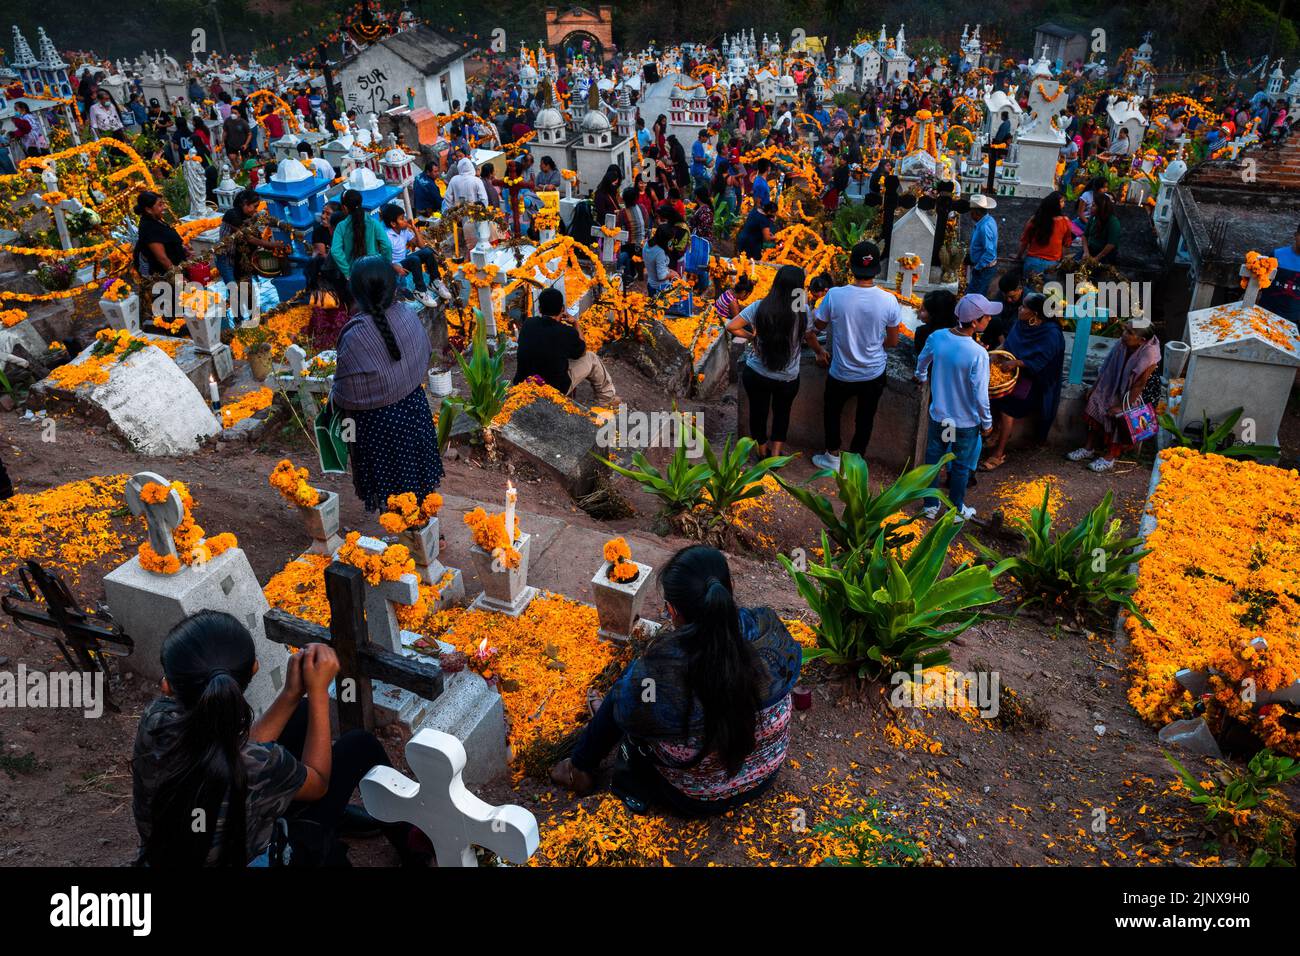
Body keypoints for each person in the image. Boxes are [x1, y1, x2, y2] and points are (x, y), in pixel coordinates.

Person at [132, 611, 414, 866]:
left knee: (300, 715)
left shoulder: (155, 720)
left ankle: (332, 817)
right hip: (249, 857)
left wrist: (292, 695)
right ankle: (417, 851)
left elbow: (240, 750)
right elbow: (317, 783)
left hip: (171, 855)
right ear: (254, 668)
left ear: (167, 686)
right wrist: (317, 694)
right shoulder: (260, 766)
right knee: (360, 746)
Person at [549, 545, 801, 817]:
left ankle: (580, 768)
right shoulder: (766, 626)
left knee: (627, 689)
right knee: (637, 689)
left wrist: (630, 696)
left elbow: (632, 716)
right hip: (764, 775)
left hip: (697, 797)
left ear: (672, 610)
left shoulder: (658, 674)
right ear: (731, 587)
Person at [332, 256, 444, 511]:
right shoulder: (406, 314)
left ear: (356, 292)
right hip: (415, 410)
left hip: (378, 425)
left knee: (394, 490)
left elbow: (345, 394)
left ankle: (412, 538)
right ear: (393, 287)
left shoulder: (356, 334)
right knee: (418, 478)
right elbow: (424, 354)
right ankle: (427, 533)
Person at [811, 240, 901, 471]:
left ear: (851, 267)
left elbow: (815, 329)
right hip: (873, 372)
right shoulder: (889, 300)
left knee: (831, 411)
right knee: (865, 418)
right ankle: (855, 460)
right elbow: (892, 342)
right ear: (877, 270)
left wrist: (820, 350)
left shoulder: (835, 296)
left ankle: (832, 456)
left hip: (841, 372)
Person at [726, 265, 826, 457]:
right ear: (798, 287)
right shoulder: (801, 309)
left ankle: (761, 452)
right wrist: (820, 352)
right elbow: (810, 337)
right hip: (787, 378)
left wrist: (751, 336)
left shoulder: (760, 306)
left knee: (758, 412)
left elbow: (732, 326)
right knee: (782, 414)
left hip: (756, 373)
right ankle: (775, 455)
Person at [915, 294, 998, 521]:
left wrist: (921, 376)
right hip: (965, 422)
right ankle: (955, 509)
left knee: (934, 459)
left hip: (941, 416)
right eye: (985, 316)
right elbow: (981, 395)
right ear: (974, 323)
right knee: (960, 466)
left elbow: (922, 361)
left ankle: (930, 506)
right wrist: (988, 424)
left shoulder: (938, 337)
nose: (989, 319)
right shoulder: (978, 353)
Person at [981, 292, 1066, 471]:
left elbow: (1041, 362)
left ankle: (999, 453)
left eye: (1024, 306)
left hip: (1035, 379)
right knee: (989, 391)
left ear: (1035, 313)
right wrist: (991, 356)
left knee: (1006, 406)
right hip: (1013, 371)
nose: (1020, 308)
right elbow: (1008, 344)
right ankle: (995, 432)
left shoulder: (1051, 333)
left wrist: (1015, 363)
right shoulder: (1022, 323)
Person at [1068, 321, 1161, 473]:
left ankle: (1110, 456)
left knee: (1119, 415)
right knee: (1095, 400)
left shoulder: (1149, 355)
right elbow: (1107, 367)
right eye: (1125, 329)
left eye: (1129, 332)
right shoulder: (1122, 343)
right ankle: (1088, 448)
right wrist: (1095, 387)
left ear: (1142, 340)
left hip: (1137, 393)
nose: (1124, 334)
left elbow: (1139, 385)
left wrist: (1123, 407)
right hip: (1115, 383)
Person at [513, 287, 620, 407]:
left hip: (523, 383)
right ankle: (606, 398)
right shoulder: (567, 332)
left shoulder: (528, 324)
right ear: (562, 309)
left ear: (539, 309)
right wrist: (575, 323)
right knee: (591, 357)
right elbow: (582, 352)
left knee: (556, 356)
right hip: (552, 389)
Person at [381, 203, 449, 308]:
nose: (405, 220)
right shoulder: (386, 236)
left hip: (405, 261)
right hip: (395, 266)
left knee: (427, 252)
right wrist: (395, 267)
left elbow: (421, 246)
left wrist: (414, 229)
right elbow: (382, 259)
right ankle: (420, 291)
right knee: (414, 259)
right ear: (393, 224)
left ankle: (434, 282)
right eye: (401, 219)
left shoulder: (403, 231)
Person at [331, 189, 393, 281]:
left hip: (355, 274)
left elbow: (335, 251)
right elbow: (387, 246)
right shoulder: (373, 223)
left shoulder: (341, 226)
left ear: (344, 207)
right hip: (374, 270)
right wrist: (385, 265)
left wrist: (347, 272)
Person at [133, 191, 188, 277]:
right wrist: (180, 280)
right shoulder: (149, 228)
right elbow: (162, 259)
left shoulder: (156, 219)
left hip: (178, 267)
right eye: (160, 205)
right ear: (148, 210)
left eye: (163, 204)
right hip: (166, 277)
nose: (164, 207)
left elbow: (166, 239)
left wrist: (183, 249)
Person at [1018, 191, 1072, 277]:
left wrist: (1019, 256)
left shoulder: (1035, 219)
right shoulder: (1065, 221)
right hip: (1052, 265)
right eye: (1062, 201)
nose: (1064, 204)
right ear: (1055, 205)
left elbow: (1024, 241)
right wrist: (1062, 260)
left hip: (1032, 262)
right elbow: (1066, 244)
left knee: (1029, 289)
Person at [443, 157, 490, 256]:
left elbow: (447, 198)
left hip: (458, 214)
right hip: (475, 214)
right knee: (476, 238)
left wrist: (452, 211)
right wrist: (482, 212)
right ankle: (474, 256)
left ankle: (463, 256)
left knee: (462, 240)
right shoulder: (476, 180)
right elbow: (484, 199)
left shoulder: (454, 180)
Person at [1259, 222, 1300, 324]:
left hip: (1294, 319)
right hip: (1267, 312)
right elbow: (1262, 280)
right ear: (1296, 235)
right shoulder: (1277, 254)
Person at [967, 194, 999, 296]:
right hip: (982, 267)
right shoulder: (988, 220)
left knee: (975, 296)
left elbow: (990, 252)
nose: (970, 214)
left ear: (976, 213)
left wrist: (978, 267)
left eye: (971, 212)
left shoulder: (984, 227)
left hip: (983, 269)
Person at [912, 288, 958, 355]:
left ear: (935, 314)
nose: (918, 311)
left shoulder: (922, 332)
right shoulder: (961, 331)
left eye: (923, 310)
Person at [616, 185, 646, 282]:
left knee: (622, 252)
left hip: (631, 245)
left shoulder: (622, 213)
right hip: (643, 243)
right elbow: (645, 221)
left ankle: (629, 274)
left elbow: (617, 228)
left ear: (624, 200)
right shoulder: (642, 207)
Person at [1083, 191, 1120, 265]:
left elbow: (1111, 244)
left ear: (1101, 208)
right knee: (1070, 270)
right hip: (1090, 250)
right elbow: (1084, 236)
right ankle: (1069, 277)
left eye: (1093, 205)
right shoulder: (1093, 217)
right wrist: (1086, 252)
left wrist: (1096, 259)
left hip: (1105, 255)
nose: (1091, 207)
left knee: (1090, 273)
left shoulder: (1113, 222)